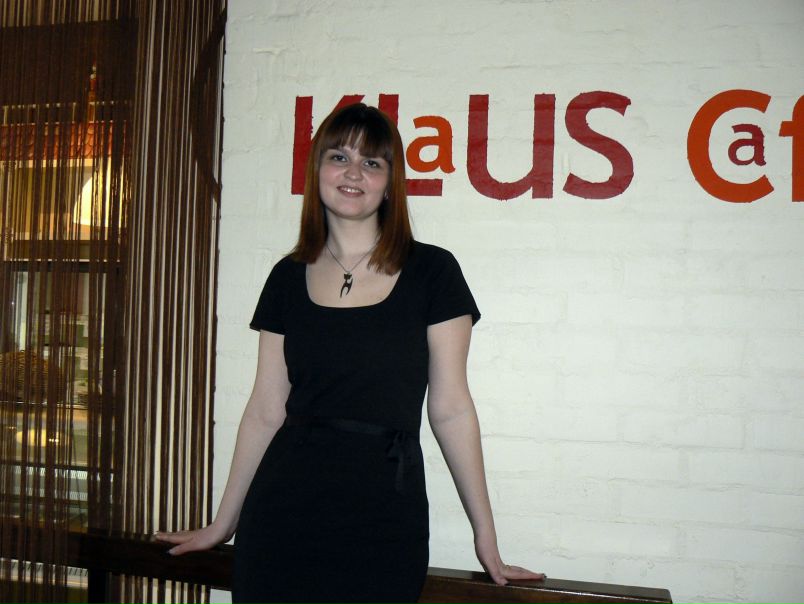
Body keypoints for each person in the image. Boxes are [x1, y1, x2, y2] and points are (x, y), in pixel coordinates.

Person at [156, 103, 544, 603]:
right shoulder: (286, 277)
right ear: (317, 169)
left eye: (372, 162)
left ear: (390, 182)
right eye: (339, 157)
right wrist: (223, 523)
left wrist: (485, 539)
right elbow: (265, 409)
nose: (353, 173)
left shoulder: (433, 272)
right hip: (281, 513)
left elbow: (450, 410)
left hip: (383, 514)